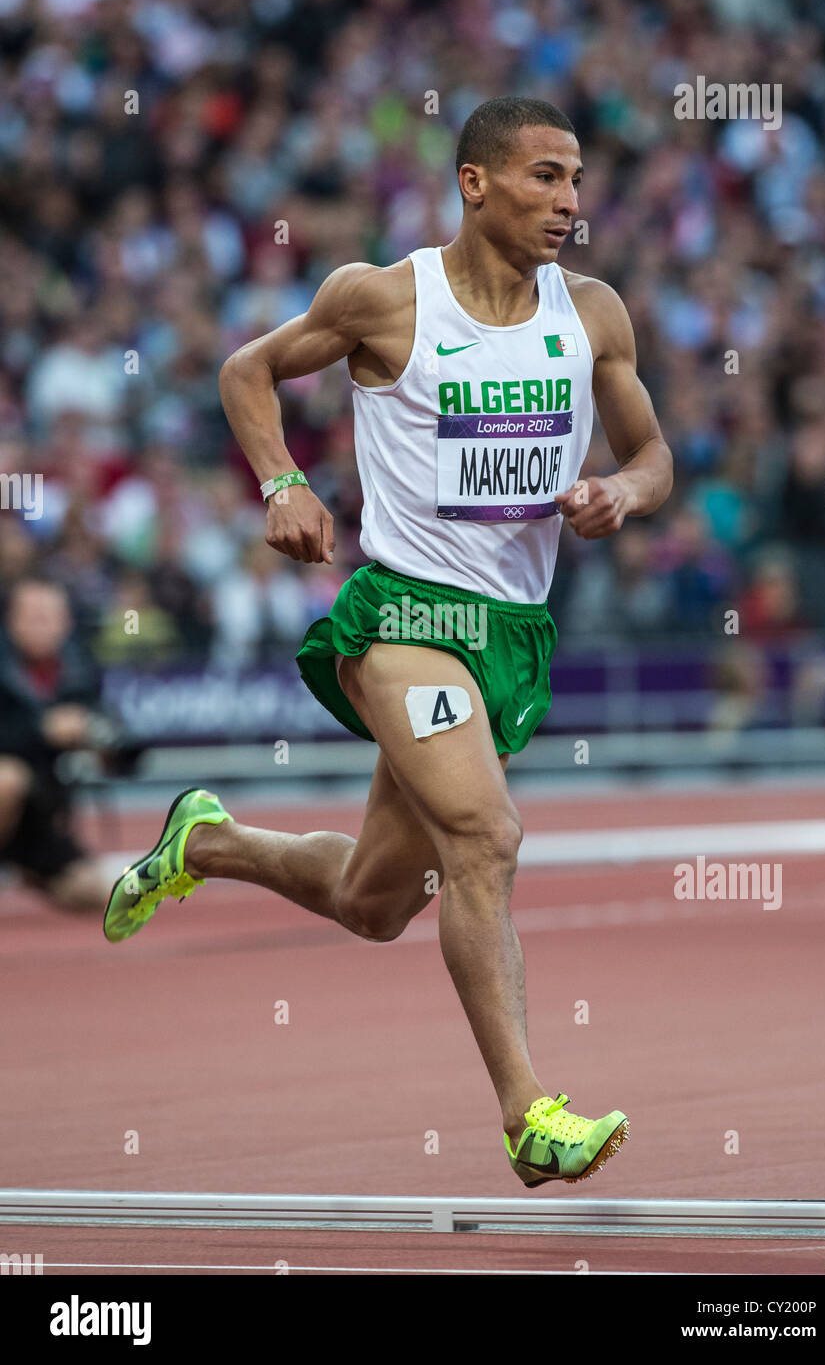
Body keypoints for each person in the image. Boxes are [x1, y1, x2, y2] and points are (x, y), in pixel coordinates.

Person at [104, 97, 673, 1188]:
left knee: (375, 901)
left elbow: (651, 454)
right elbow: (245, 371)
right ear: (474, 182)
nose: (568, 202)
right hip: (404, 617)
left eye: (575, 181)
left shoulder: (592, 312)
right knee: (485, 839)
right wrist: (282, 484)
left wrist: (621, 493)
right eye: (544, 177)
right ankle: (526, 1114)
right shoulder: (382, 298)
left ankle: (206, 841)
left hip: (510, 632)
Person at [0, 576, 116, 911]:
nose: (44, 627)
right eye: (34, 617)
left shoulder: (78, 668)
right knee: (7, 779)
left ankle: (27, 868)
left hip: (39, 817)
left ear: (66, 621)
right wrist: (42, 729)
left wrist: (102, 744)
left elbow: (121, 741)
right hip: (9, 792)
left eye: (52, 617)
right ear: (11, 621)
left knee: (100, 893)